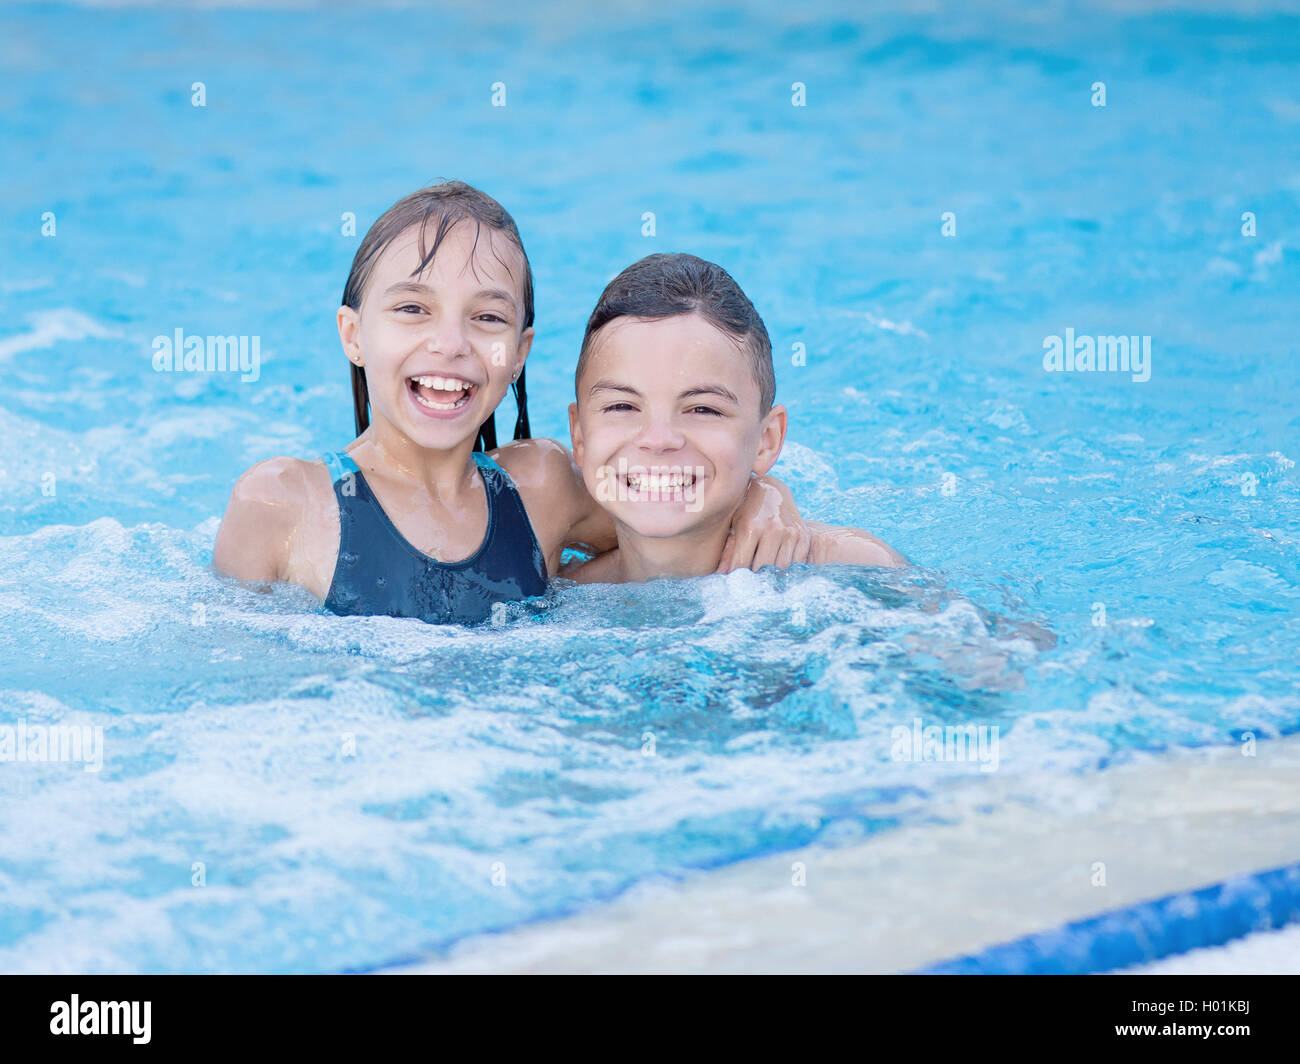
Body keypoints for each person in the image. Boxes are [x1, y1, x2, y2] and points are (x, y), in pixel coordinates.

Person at [214, 184, 813, 623]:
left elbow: (679, 505)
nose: (450, 344)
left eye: (488, 317)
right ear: (353, 335)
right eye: (412, 309)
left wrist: (767, 498)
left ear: (520, 352)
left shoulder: (541, 488)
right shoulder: (283, 503)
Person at [567, 252, 906, 584]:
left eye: (703, 409)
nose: (658, 439)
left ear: (767, 440)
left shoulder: (857, 570)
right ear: (579, 436)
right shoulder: (551, 596)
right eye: (622, 407)